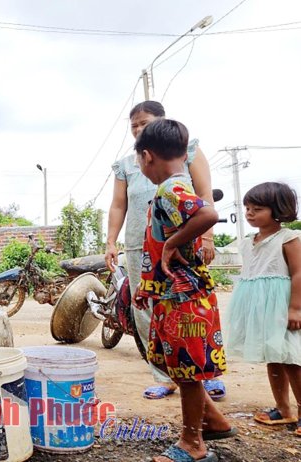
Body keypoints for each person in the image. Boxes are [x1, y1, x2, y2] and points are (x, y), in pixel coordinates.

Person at [104, 100, 225, 400]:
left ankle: (202, 375)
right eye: (133, 125)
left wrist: (205, 238)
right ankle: (167, 375)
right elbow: (119, 205)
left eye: (144, 123)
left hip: (185, 244)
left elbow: (205, 199)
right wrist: (111, 241)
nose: (138, 129)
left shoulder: (184, 152)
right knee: (150, 310)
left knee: (190, 310)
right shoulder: (127, 163)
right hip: (142, 244)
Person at [134, 119, 233, 462]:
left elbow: (207, 213)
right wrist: (148, 286)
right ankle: (214, 421)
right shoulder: (177, 186)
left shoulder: (170, 189)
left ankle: (193, 444)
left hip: (184, 298)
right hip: (172, 294)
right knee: (179, 367)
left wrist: (175, 240)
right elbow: (157, 245)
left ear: (146, 156)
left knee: (188, 373)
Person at [224, 182, 301, 435]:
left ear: (278, 209)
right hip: (260, 308)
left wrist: (295, 309)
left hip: (282, 306)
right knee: (272, 357)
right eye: (247, 208)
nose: (249, 213)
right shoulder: (249, 241)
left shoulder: (288, 238)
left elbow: (298, 273)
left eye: (257, 208)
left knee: (291, 359)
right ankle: (283, 409)